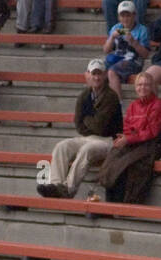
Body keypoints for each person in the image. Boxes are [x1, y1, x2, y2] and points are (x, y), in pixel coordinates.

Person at [38, 60, 122, 198]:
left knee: (87, 150)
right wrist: (90, 121)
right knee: (62, 146)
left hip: (108, 140)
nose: (96, 77)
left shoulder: (111, 97)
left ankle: (68, 189)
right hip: (88, 137)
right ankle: (55, 184)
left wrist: (86, 119)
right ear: (87, 75)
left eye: (99, 74)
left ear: (105, 75)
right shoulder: (84, 95)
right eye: (93, 74)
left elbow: (100, 127)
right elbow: (78, 125)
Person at [97, 71, 161, 203]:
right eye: (139, 85)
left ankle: (123, 202)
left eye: (146, 85)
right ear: (135, 88)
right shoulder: (133, 106)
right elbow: (127, 127)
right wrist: (124, 138)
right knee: (113, 156)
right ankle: (109, 201)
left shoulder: (158, 105)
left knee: (125, 164)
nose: (142, 88)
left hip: (151, 145)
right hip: (133, 142)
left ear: (152, 87)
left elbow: (152, 132)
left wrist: (128, 139)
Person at [104, 1, 152, 96]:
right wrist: (112, 38)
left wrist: (133, 42)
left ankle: (118, 103)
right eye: (122, 16)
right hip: (117, 58)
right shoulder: (116, 28)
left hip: (134, 61)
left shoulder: (142, 30)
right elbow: (106, 50)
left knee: (112, 72)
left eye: (128, 15)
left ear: (134, 15)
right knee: (98, 71)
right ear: (118, 17)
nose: (125, 19)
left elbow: (145, 54)